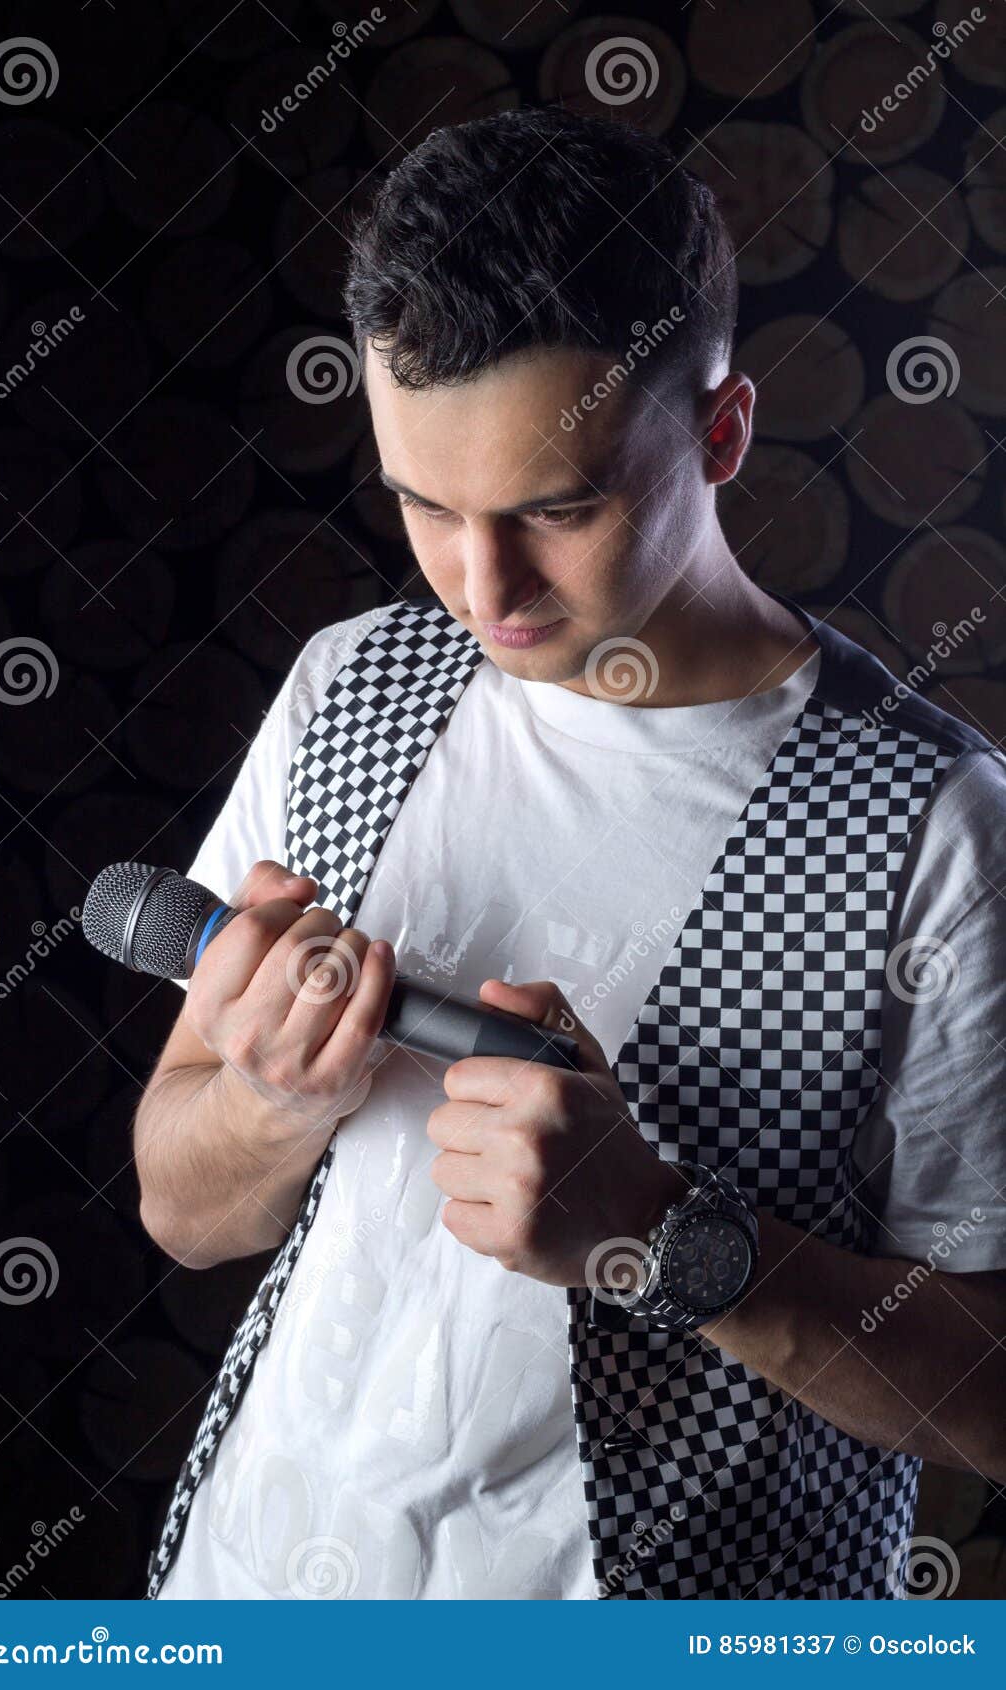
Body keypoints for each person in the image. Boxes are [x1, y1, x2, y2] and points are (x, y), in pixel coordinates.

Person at [137, 107, 1006, 1600]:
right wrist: (273, 1100)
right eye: (424, 503)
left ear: (720, 431)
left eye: (559, 507)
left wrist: (665, 1235)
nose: (486, 587)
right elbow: (179, 1202)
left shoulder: (937, 827)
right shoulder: (348, 688)